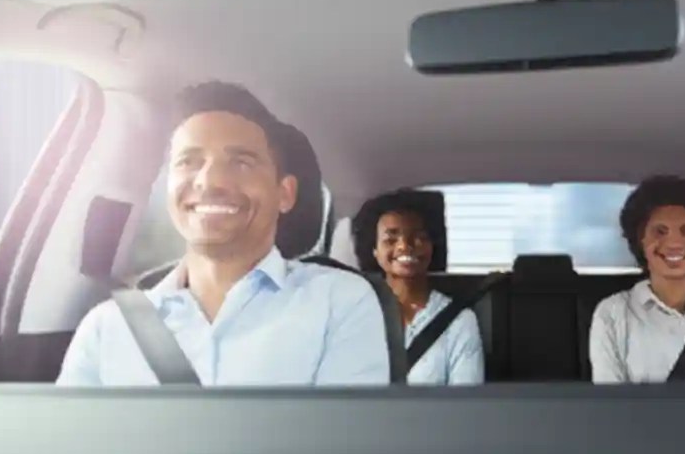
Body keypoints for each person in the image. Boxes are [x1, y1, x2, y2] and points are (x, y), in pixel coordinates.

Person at [57, 81, 390, 386]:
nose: (210, 181)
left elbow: (348, 447)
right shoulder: (106, 328)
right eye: (189, 161)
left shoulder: (340, 302)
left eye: (241, 163)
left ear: (285, 194)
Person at [589, 175, 685, 383]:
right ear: (640, 241)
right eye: (659, 232)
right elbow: (610, 403)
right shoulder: (613, 313)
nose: (674, 242)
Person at [352, 190, 484, 385]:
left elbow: (466, 406)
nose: (404, 246)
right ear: (374, 251)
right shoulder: (354, 317)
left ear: (431, 246)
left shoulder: (459, 322)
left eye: (418, 237)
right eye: (391, 239)